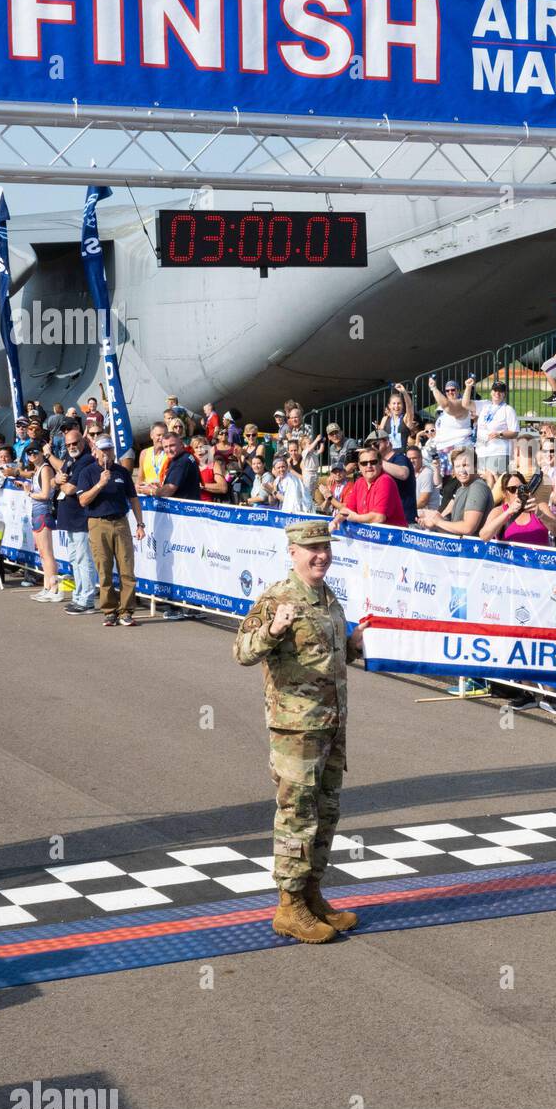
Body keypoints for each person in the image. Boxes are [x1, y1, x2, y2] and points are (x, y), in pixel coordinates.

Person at [233, 518, 368, 944]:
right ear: (292, 552)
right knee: (296, 815)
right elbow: (242, 652)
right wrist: (272, 630)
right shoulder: (278, 598)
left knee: (326, 811)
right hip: (296, 727)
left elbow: (326, 654)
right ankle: (289, 905)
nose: (321, 555)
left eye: (325, 547)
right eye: (312, 548)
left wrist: (354, 643)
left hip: (331, 723)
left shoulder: (328, 598)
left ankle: (312, 893)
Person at [75, 434, 146, 627]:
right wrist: (100, 484)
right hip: (98, 523)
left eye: (109, 449)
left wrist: (140, 524)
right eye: (103, 449)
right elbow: (83, 501)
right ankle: (109, 610)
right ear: (95, 451)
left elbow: (133, 499)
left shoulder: (122, 472)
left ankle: (126, 611)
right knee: (104, 568)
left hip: (120, 521)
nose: (106, 453)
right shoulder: (87, 472)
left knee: (126, 568)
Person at [48, 419, 98, 614]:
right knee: (75, 559)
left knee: (84, 560)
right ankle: (78, 596)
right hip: (68, 518)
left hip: (80, 518)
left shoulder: (85, 461)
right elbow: (56, 479)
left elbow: (69, 488)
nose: (71, 447)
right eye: (68, 444)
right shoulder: (70, 459)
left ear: (83, 443)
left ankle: (87, 600)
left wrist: (58, 482)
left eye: (74, 443)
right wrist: (56, 480)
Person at [417, 447, 492, 536]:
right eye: (457, 466)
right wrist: (434, 525)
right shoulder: (461, 489)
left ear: (475, 467)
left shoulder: (477, 487)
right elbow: (456, 530)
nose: (462, 470)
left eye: (466, 465)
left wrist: (437, 521)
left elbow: (468, 528)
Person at [22, 440, 62, 600]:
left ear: (41, 453)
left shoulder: (45, 469)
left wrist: (29, 493)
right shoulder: (38, 469)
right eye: (29, 453)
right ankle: (47, 587)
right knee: (42, 553)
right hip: (37, 513)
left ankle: (55, 589)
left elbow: (45, 495)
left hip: (44, 513)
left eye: (35, 452)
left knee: (47, 553)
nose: (32, 455)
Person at [480, 470, 556, 546]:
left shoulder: (540, 506)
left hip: (538, 562)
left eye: (521, 488)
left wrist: (541, 515)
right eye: (512, 489)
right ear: (505, 493)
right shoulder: (500, 511)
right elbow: (484, 537)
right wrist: (508, 513)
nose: (517, 492)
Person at [332, 444, 406, 527]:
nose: (369, 466)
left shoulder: (385, 481)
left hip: (393, 537)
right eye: (364, 463)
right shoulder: (359, 482)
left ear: (380, 463)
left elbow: (379, 517)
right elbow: (348, 509)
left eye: (373, 462)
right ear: (359, 467)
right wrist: (335, 521)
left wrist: (356, 518)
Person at [428, 375, 475, 471]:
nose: (450, 392)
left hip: (458, 448)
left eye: (453, 390)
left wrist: (433, 388)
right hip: (442, 450)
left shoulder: (461, 404)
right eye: (447, 391)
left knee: (459, 481)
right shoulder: (439, 410)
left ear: (458, 391)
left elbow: (447, 406)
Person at [474, 380, 519, 480]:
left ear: (504, 394)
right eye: (495, 390)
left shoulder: (508, 409)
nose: (497, 393)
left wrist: (499, 434)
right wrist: (468, 387)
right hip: (481, 451)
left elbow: (515, 432)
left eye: (501, 391)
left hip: (498, 452)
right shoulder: (485, 407)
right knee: (484, 482)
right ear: (491, 392)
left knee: (496, 483)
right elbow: (465, 404)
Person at [377, 383, 417, 451]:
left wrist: (404, 392)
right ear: (389, 406)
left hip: (402, 454)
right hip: (388, 455)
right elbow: (380, 437)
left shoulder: (405, 418)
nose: (396, 406)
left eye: (399, 403)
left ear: (402, 405)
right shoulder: (385, 419)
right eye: (394, 403)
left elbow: (410, 408)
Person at [407, 444, 440, 511]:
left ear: (421, 458)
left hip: (427, 516)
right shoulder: (410, 474)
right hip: (416, 515)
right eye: (409, 459)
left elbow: (423, 501)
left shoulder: (427, 473)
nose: (411, 461)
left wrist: (405, 509)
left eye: (414, 458)